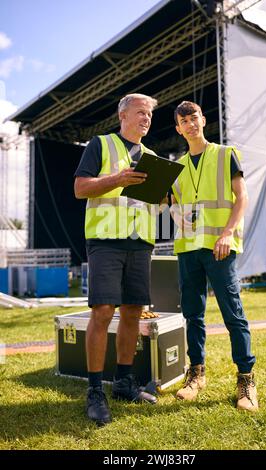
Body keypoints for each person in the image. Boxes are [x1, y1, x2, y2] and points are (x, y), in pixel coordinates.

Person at [74, 93, 158, 426]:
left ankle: (124, 382)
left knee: (133, 311)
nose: (146, 118)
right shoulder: (100, 144)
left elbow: (151, 201)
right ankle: (95, 391)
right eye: (140, 112)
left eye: (149, 114)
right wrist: (117, 179)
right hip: (105, 241)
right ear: (122, 115)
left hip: (140, 243)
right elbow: (80, 188)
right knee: (104, 311)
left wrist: (166, 199)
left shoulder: (152, 156)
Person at [170, 101, 258, 412]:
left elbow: (242, 195)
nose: (190, 124)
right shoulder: (176, 167)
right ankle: (196, 375)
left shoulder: (225, 154)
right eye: (184, 120)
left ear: (203, 120)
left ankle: (246, 379)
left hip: (220, 245)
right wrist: (167, 205)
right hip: (187, 248)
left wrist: (227, 233)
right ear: (179, 129)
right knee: (192, 315)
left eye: (193, 117)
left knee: (232, 314)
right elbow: (172, 204)